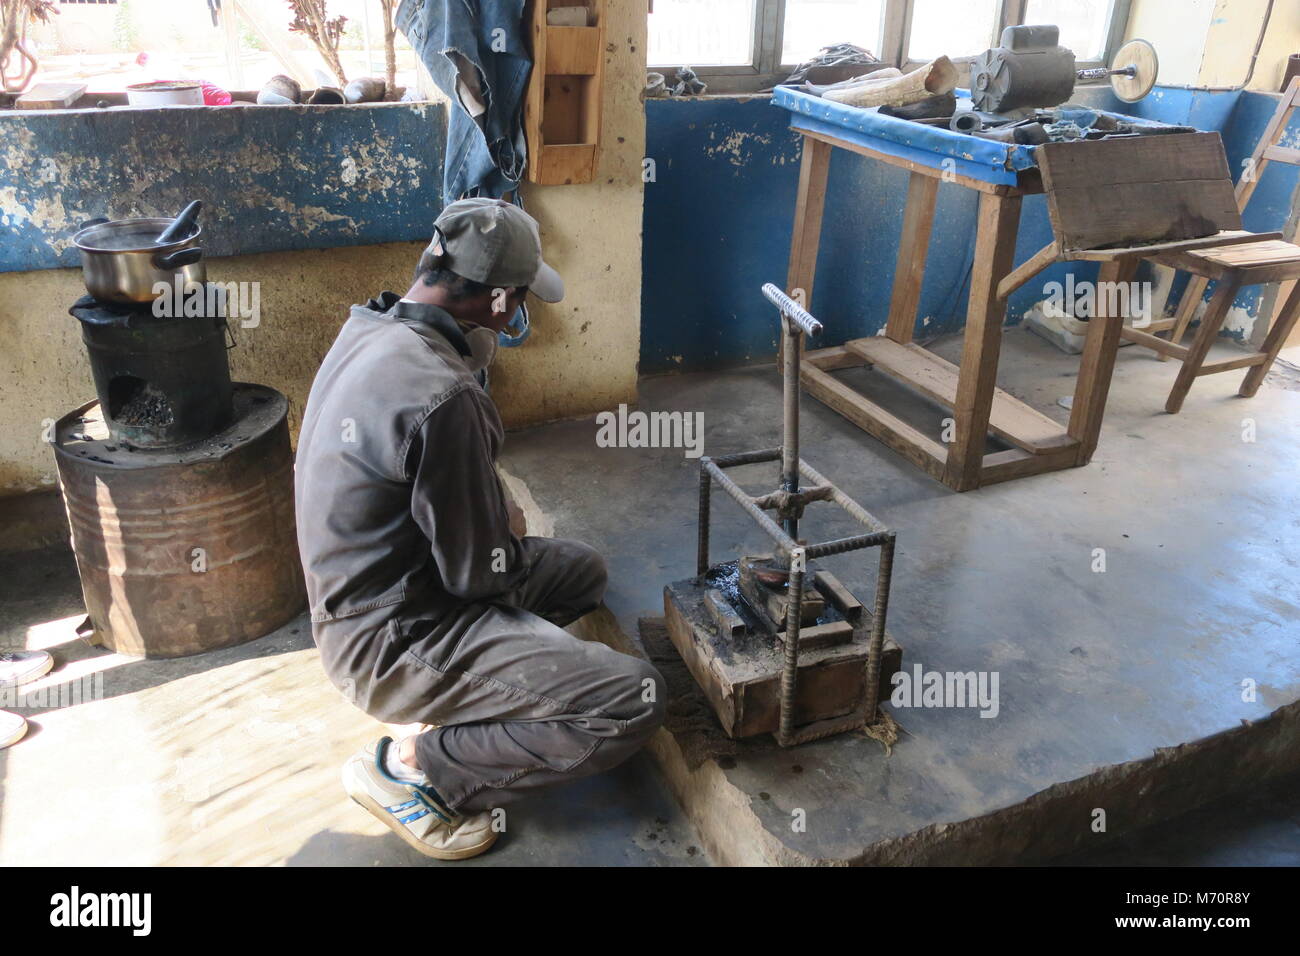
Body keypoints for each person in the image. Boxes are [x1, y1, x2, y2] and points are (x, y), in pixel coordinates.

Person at [295, 199, 665, 860]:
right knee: (632, 698)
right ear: (499, 304)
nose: (520, 314)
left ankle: (503, 685)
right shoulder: (444, 396)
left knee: (583, 569)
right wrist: (502, 530)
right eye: (520, 299)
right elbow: (478, 573)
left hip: (367, 597)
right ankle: (417, 769)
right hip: (392, 637)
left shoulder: (371, 326)